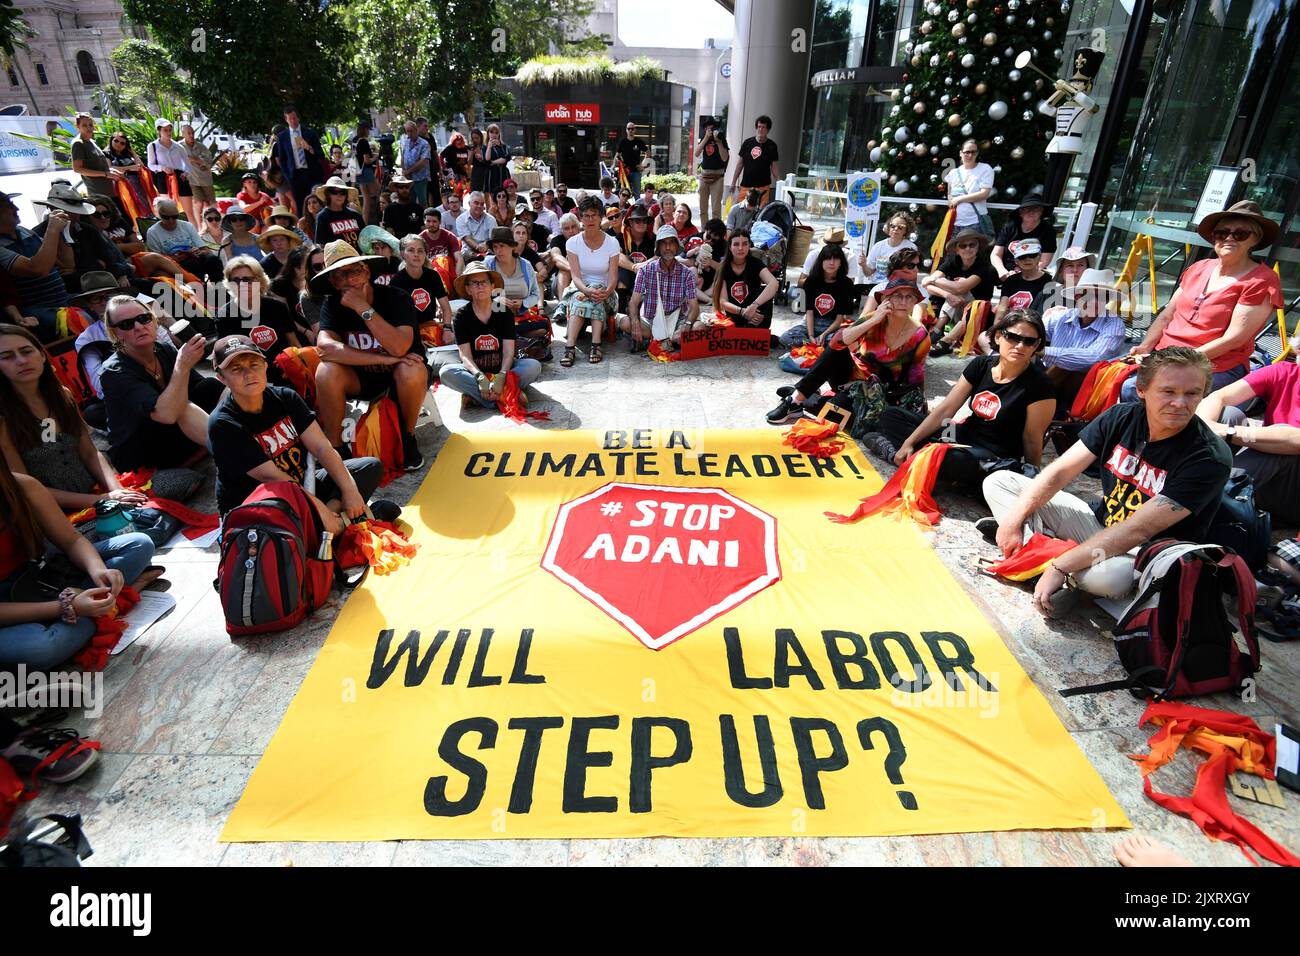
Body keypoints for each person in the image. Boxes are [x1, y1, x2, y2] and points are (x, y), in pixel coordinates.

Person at [986, 347, 1231, 614]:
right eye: (1168, 391)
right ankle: (1044, 556)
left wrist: (1061, 565)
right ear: (1142, 390)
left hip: (1140, 554)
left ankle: (1046, 556)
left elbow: (1138, 530)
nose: (1180, 403)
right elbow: (1060, 472)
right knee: (999, 482)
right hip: (1098, 525)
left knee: (1108, 579)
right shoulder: (1121, 416)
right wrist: (1013, 519)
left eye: (1192, 393)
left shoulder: (1209, 458)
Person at [207, 334, 386, 528]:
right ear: (221, 378)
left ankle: (332, 523)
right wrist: (318, 508)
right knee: (384, 510)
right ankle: (335, 525)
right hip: (262, 505)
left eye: (254, 364)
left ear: (265, 366)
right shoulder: (223, 423)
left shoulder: (285, 397)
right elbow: (272, 478)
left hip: (301, 486)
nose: (248, 374)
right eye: (236, 369)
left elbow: (322, 447)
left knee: (368, 467)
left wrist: (349, 491)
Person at [873, 310, 1056, 497]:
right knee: (892, 416)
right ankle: (921, 458)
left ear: (1036, 346)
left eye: (1029, 341)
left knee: (955, 461)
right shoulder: (981, 365)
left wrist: (1032, 482)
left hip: (991, 456)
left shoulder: (1040, 385)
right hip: (957, 437)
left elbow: (1032, 438)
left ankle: (900, 454)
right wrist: (909, 441)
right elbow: (946, 409)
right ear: (999, 336)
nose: (1020, 345)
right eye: (1013, 337)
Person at [0, 456, 156, 670]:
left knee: (139, 544)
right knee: (39, 648)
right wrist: (65, 607)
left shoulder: (21, 486)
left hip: (41, 576)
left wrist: (98, 570)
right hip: (11, 611)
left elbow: (71, 540)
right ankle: (106, 605)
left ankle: (95, 605)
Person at [1121, 201, 1283, 402]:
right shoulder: (1199, 267)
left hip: (1214, 365)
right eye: (1221, 233)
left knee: (1138, 390)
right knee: (1111, 376)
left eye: (1240, 234)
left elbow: (1235, 339)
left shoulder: (1262, 280)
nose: (1228, 238)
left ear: (1255, 239)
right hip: (1164, 358)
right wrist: (1145, 346)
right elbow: (1166, 315)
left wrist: (1177, 363)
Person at [0, 323, 147, 511]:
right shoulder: (3, 418)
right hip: (57, 515)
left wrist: (117, 490)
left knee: (181, 481)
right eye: (7, 357)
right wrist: (103, 500)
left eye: (26, 351)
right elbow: (26, 488)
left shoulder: (62, 395)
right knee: (140, 538)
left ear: (42, 355)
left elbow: (89, 452)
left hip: (100, 493)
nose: (21, 361)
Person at [312, 240, 427, 470]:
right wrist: (384, 359)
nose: (349, 279)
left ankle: (407, 437)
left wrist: (362, 308)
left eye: (355, 270)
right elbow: (325, 348)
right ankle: (336, 447)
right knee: (326, 370)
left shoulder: (397, 297)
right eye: (341, 275)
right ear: (334, 282)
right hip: (360, 378)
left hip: (400, 378)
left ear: (366, 271)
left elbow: (399, 349)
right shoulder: (333, 304)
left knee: (410, 368)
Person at [767, 279, 929, 433]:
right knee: (837, 350)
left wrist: (912, 411)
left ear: (915, 302)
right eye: (897, 296)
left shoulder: (920, 335)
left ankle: (809, 397)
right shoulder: (873, 319)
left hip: (879, 392)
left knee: (837, 410)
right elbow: (837, 342)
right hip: (848, 377)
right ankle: (795, 400)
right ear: (886, 299)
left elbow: (914, 381)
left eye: (909, 297)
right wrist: (874, 320)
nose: (903, 301)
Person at [98, 295, 223, 471]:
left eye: (144, 318)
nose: (139, 327)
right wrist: (182, 365)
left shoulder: (162, 349)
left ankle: (251, 432)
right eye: (127, 324)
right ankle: (229, 449)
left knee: (211, 386)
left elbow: (200, 388)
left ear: (154, 320)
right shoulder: (113, 372)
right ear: (115, 333)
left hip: (172, 433)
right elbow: (166, 414)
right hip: (142, 451)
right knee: (182, 408)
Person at [1197, 351, 1300, 527]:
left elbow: (1296, 440)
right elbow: (1218, 397)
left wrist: (1229, 432)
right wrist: (1208, 425)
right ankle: (1186, 480)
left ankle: (1199, 498)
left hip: (1293, 497)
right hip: (1271, 481)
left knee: (1279, 439)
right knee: (1229, 414)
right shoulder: (1284, 372)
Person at [440, 262, 542, 412]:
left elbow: (509, 352)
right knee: (446, 373)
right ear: (468, 289)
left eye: (484, 282)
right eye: (474, 283)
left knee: (533, 366)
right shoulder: (462, 316)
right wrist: (479, 377)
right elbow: (465, 355)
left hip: (504, 368)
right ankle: (505, 394)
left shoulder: (504, 312)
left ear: (492, 286)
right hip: (475, 371)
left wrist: (501, 375)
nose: (480, 286)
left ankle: (479, 396)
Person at [956, 238, 1060, 355]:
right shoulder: (1011, 280)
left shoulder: (1050, 283)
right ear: (1016, 260)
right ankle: (997, 356)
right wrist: (996, 330)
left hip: (1029, 332)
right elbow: (1002, 308)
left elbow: (1044, 319)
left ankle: (998, 356)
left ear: (1039, 257)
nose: (1027, 259)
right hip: (1008, 327)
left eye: (1032, 255)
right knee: (983, 334)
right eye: (1022, 257)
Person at [1042, 268, 1127, 411]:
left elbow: (1095, 357)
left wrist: (1043, 351)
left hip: (1084, 394)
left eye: (1101, 297)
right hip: (1049, 381)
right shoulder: (1062, 316)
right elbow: (1033, 333)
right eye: (1087, 295)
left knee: (1067, 366)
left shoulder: (1114, 325)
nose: (1094, 301)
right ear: (1077, 296)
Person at [0, 190, 71, 342]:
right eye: (9, 206)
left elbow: (67, 263)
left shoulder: (24, 231)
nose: (16, 209)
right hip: (35, 311)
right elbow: (39, 269)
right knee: (76, 322)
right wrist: (52, 229)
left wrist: (61, 232)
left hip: (61, 303)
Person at [618, 225, 703, 353]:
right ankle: (667, 342)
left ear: (676, 246)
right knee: (625, 322)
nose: (668, 247)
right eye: (663, 243)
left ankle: (654, 342)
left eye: (671, 243)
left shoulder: (687, 273)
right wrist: (635, 323)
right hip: (651, 321)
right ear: (658, 247)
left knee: (699, 327)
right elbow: (633, 303)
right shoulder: (645, 271)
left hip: (677, 322)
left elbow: (694, 307)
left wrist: (688, 325)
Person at [560, 196, 620, 367]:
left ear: (601, 217)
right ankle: (575, 346)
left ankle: (591, 344)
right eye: (586, 215)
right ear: (581, 218)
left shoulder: (612, 243)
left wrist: (606, 292)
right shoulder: (573, 243)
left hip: (605, 291)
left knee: (595, 296)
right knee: (581, 298)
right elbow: (576, 276)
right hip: (580, 288)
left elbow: (613, 277)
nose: (590, 219)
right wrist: (586, 291)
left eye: (594, 215)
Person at [213, 256, 299, 375]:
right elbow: (227, 358)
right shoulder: (225, 315)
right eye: (236, 280)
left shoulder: (277, 307)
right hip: (250, 376)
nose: (242, 285)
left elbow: (294, 344)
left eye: (247, 279)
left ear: (259, 280)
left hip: (285, 371)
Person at [924, 228, 998, 355]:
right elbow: (926, 286)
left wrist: (935, 280)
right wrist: (947, 294)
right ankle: (936, 331)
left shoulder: (984, 266)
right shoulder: (952, 261)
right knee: (949, 292)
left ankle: (946, 341)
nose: (967, 248)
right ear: (957, 250)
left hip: (978, 316)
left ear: (978, 247)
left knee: (962, 291)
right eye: (963, 246)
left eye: (972, 245)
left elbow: (961, 288)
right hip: (954, 310)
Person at [779, 243, 858, 348]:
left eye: (836, 259)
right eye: (828, 259)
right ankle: (815, 346)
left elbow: (840, 319)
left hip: (832, 326)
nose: (831, 263)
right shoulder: (811, 280)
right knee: (785, 338)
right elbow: (809, 312)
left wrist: (824, 335)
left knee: (845, 342)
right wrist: (811, 336)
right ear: (821, 261)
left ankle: (815, 346)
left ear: (841, 263)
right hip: (811, 324)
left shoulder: (847, 284)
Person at [390, 234, 453, 342]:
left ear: (425, 254)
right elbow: (394, 315)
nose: (416, 255)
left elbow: (446, 308)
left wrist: (447, 329)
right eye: (411, 250)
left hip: (431, 327)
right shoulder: (396, 281)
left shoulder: (433, 276)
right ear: (402, 254)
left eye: (420, 251)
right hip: (408, 331)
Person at [711, 229, 779, 330]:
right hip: (735, 317)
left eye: (744, 244)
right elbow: (723, 302)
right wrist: (743, 311)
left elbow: (774, 283)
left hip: (757, 318)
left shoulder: (756, 263)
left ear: (749, 246)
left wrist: (753, 306)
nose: (740, 248)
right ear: (730, 247)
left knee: (765, 291)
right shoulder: (723, 267)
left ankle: (754, 331)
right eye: (736, 244)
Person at [144, 197, 223, 282]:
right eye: (166, 217)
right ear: (159, 215)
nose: (171, 220)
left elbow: (205, 250)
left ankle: (218, 290)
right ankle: (199, 291)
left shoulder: (187, 226)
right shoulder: (153, 232)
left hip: (194, 258)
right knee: (192, 264)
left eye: (174, 217)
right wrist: (176, 258)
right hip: (172, 264)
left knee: (214, 260)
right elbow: (156, 259)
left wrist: (198, 252)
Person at [274, 106, 327, 217]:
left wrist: (308, 148)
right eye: (290, 119)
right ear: (286, 120)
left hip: (312, 174)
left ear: (298, 118)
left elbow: (321, 155)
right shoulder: (282, 137)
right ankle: (304, 230)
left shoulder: (310, 133)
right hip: (295, 176)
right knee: (300, 205)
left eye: (294, 118)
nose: (293, 121)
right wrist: (288, 176)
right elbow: (282, 160)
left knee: (317, 203)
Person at [991, 192, 1057, 279]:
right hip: (1005, 271)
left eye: (1035, 209)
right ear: (1020, 213)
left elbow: (1044, 261)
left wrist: (1022, 274)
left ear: (1041, 211)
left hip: (1032, 272)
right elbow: (995, 254)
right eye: (1027, 209)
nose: (1031, 212)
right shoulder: (1010, 226)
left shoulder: (1048, 231)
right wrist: (1002, 271)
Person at [145, 118, 194, 224]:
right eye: (165, 130)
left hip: (180, 177)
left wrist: (185, 173)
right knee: (168, 210)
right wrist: (161, 168)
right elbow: (150, 165)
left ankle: (195, 234)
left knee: (188, 211)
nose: (168, 132)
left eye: (169, 130)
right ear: (159, 131)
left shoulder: (179, 147)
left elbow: (188, 166)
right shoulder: (152, 146)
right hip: (164, 178)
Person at [943, 139, 995, 237]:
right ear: (961, 153)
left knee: (972, 251)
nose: (970, 155)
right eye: (967, 152)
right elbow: (949, 195)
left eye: (973, 152)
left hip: (975, 223)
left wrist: (959, 199)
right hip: (954, 223)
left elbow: (984, 194)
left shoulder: (985, 169)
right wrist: (951, 200)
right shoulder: (953, 173)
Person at [484, 226, 540, 313]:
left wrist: (523, 303)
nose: (498, 250)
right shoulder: (487, 265)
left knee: (543, 325)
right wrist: (497, 300)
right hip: (495, 316)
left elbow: (536, 294)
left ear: (512, 247)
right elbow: (479, 293)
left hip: (522, 315)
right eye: (495, 247)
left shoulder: (526, 265)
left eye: (502, 246)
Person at [612, 204, 656, 315]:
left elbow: (659, 256)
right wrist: (634, 267)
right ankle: (620, 315)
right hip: (628, 276)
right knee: (622, 274)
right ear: (630, 223)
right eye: (637, 221)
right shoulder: (621, 237)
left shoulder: (653, 238)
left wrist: (645, 264)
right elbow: (616, 255)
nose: (642, 223)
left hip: (648, 276)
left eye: (644, 221)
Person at [69, 113, 120, 205]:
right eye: (84, 125)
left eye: (90, 125)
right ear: (78, 127)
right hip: (98, 193)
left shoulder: (91, 141)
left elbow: (98, 165)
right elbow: (77, 169)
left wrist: (111, 171)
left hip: (109, 190)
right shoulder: (78, 143)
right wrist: (106, 174)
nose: (89, 128)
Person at [730, 115, 779, 208]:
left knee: (760, 213)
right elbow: (740, 163)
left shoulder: (772, 146)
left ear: (768, 129)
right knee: (742, 209)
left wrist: (779, 180)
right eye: (759, 127)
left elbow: (774, 166)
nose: (761, 129)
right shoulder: (748, 143)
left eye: (763, 127)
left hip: (763, 186)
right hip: (746, 184)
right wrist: (733, 182)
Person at [106, 133, 153, 222]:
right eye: (116, 141)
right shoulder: (107, 154)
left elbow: (141, 166)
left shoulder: (127, 154)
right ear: (111, 140)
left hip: (136, 184)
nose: (119, 144)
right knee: (128, 208)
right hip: (121, 186)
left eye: (122, 143)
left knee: (145, 207)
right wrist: (129, 168)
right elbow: (110, 168)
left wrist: (132, 152)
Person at [861, 213, 917, 284]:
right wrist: (863, 265)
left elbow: (912, 274)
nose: (895, 229)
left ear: (906, 230)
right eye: (892, 226)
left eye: (900, 227)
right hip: (876, 285)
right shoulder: (878, 246)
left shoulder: (911, 247)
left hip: (898, 287)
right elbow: (868, 273)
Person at [1043, 246, 1093, 324]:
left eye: (1080, 265)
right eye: (1070, 265)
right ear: (1061, 270)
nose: (1075, 270)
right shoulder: (1046, 294)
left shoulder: (1094, 299)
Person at [313, 177, 364, 248]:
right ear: (328, 194)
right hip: (337, 258)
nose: (339, 195)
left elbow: (365, 239)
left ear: (346, 195)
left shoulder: (356, 215)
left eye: (342, 193)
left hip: (358, 257)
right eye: (334, 192)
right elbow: (321, 245)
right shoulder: (322, 217)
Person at [180, 124, 216, 224]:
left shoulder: (201, 146)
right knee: (198, 203)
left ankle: (210, 225)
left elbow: (208, 162)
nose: (191, 135)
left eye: (192, 133)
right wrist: (199, 161)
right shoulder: (179, 147)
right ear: (183, 134)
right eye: (189, 133)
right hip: (191, 180)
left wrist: (193, 159)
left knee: (210, 204)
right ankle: (199, 228)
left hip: (205, 179)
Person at [695, 119, 730, 222]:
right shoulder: (704, 138)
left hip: (718, 176)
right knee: (702, 209)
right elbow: (696, 153)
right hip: (704, 175)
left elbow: (725, 158)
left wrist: (718, 142)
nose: (710, 130)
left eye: (712, 128)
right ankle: (704, 231)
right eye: (707, 128)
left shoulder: (721, 137)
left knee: (716, 210)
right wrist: (705, 138)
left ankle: (715, 233)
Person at [418, 207, 463, 278]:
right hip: (431, 273)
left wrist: (457, 278)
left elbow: (459, 259)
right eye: (428, 221)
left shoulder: (450, 236)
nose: (431, 224)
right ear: (424, 221)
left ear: (440, 222)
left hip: (449, 271)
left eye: (434, 221)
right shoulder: (420, 239)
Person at [547, 213, 581, 300]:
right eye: (566, 228)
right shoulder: (557, 240)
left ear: (578, 227)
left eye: (573, 227)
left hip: (586, 276)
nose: (570, 231)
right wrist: (574, 269)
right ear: (562, 231)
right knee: (564, 270)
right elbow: (555, 257)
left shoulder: (585, 238)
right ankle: (562, 306)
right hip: (561, 280)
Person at [456, 191, 497, 263]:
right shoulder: (461, 219)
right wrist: (478, 247)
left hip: (488, 249)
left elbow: (494, 238)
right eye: (476, 203)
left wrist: (486, 245)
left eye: (481, 204)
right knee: (467, 255)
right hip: (469, 251)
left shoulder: (491, 219)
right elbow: (467, 239)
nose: (479, 206)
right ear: (469, 204)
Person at [399, 120, 433, 206]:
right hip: (408, 178)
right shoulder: (406, 142)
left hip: (420, 178)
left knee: (422, 202)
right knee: (410, 201)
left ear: (416, 130)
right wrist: (404, 171)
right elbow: (403, 157)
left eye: (411, 131)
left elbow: (423, 161)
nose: (409, 133)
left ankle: (425, 218)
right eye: (407, 131)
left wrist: (409, 171)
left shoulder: (424, 144)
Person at [381, 175, 425, 239]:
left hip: (416, 243)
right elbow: (389, 232)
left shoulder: (418, 208)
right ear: (396, 189)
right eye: (401, 187)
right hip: (398, 243)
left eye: (406, 187)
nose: (404, 190)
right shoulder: (390, 209)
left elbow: (423, 229)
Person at [354, 119, 380, 226]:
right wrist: (375, 156)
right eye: (368, 130)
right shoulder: (363, 141)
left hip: (358, 171)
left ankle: (364, 223)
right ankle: (379, 218)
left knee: (366, 199)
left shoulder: (355, 140)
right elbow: (367, 160)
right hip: (366, 171)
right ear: (365, 129)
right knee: (379, 192)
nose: (369, 132)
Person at [615, 122, 650, 194]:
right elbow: (617, 155)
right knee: (622, 193)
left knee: (637, 194)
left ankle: (636, 205)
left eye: (632, 129)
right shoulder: (623, 141)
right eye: (629, 129)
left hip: (636, 171)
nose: (630, 130)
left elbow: (648, 152)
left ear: (635, 130)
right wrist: (618, 163)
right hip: (624, 171)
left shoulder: (639, 141)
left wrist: (642, 165)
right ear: (626, 130)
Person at [482, 125, 510, 198]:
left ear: (499, 134)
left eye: (496, 133)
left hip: (503, 173)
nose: (494, 135)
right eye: (491, 132)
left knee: (504, 195)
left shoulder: (503, 146)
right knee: (493, 196)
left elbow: (505, 159)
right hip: (492, 174)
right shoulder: (485, 146)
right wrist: (489, 147)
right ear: (488, 133)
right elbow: (487, 159)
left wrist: (493, 162)